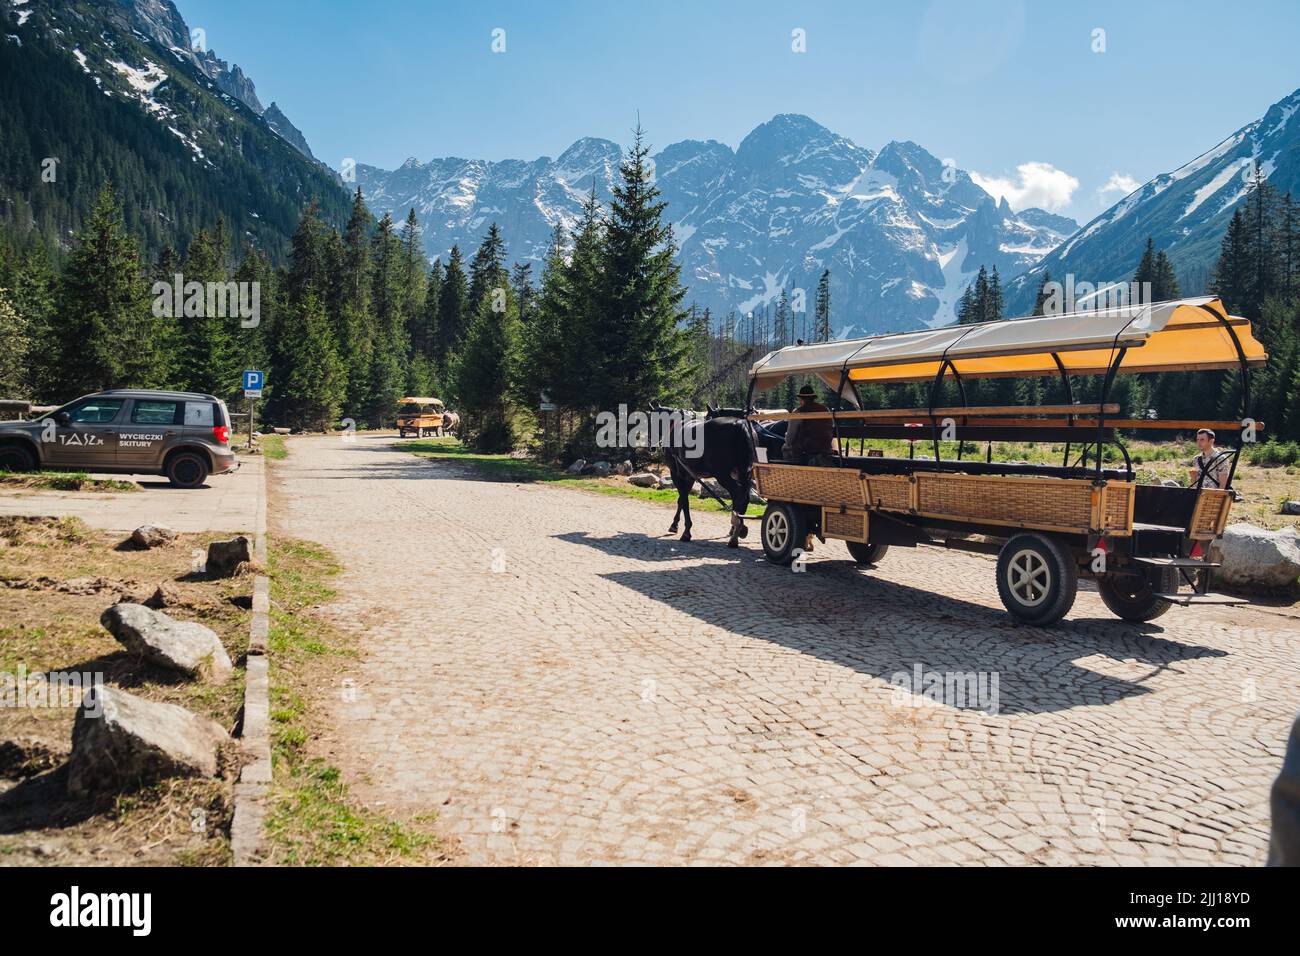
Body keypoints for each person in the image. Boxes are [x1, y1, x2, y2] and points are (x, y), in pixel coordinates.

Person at [781, 384, 834, 464]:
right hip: (825, 450)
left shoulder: (798, 412)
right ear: (813, 398)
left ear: (801, 399)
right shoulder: (825, 410)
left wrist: (787, 440)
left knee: (785, 448)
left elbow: (789, 439)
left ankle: (786, 470)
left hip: (805, 453)